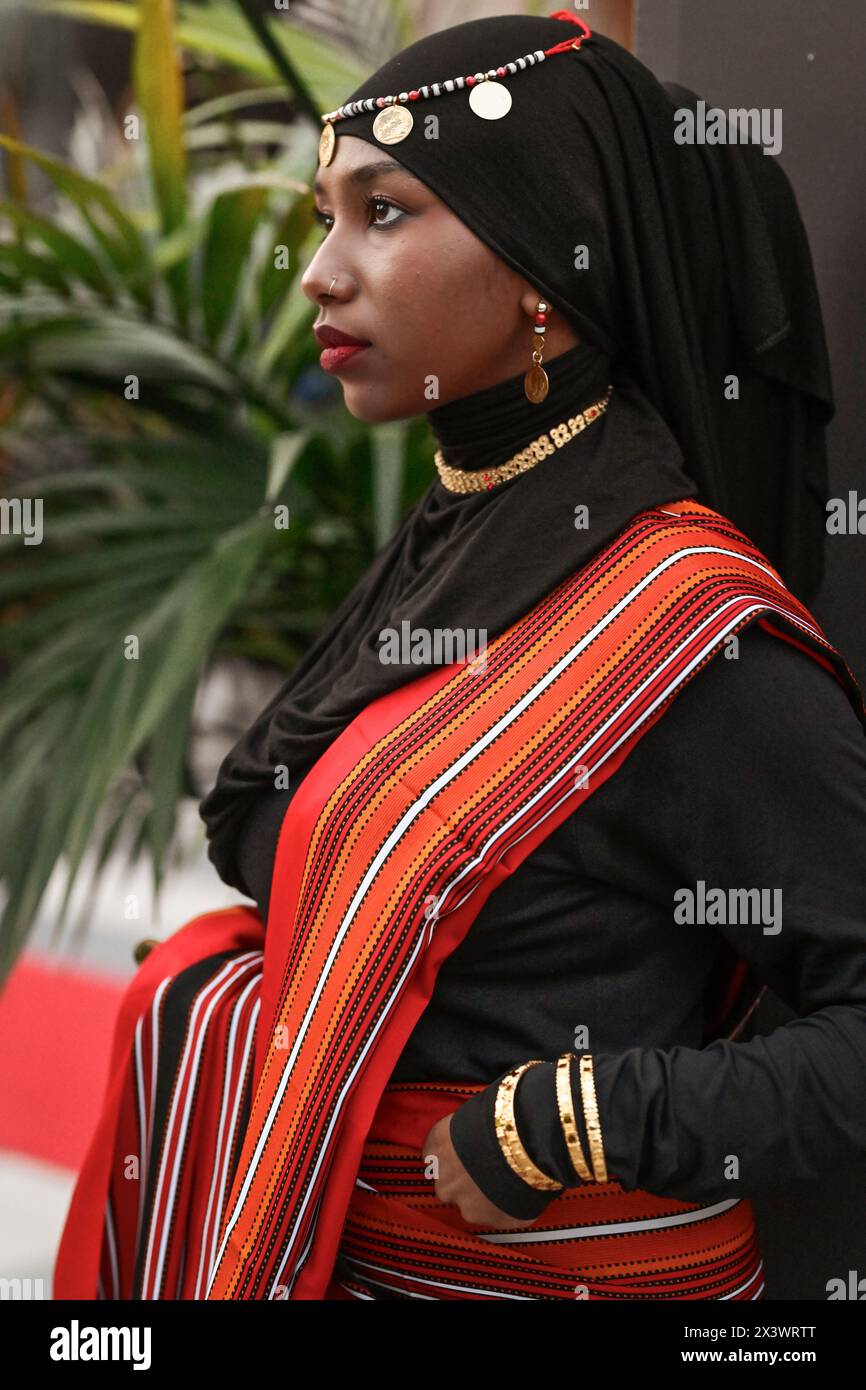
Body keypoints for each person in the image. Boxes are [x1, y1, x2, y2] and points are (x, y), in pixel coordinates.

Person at [54, 11, 866, 1302]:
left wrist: (577, 1121)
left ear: (546, 257)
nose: (320, 274)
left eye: (383, 212)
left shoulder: (688, 632)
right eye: (324, 217)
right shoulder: (462, 533)